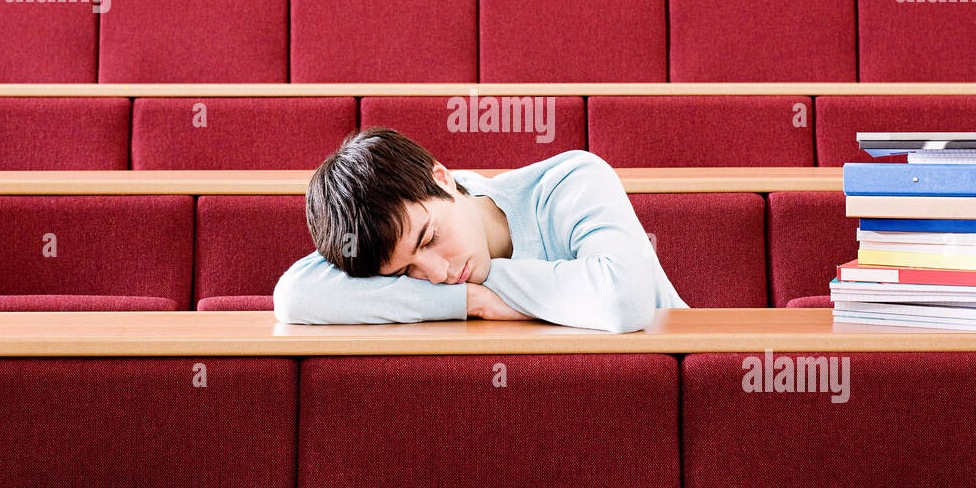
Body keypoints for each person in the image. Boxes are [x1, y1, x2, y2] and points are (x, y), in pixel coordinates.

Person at [273, 127, 687, 333]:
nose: (437, 275)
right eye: (405, 274)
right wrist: (470, 299)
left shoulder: (572, 181)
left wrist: (495, 288)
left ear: (443, 178)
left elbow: (623, 301)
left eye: (429, 239)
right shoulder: (407, 232)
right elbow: (296, 295)